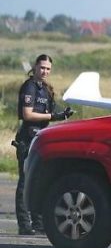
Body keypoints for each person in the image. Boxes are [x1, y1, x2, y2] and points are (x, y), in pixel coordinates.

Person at [13, 54, 74, 235]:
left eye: (48, 69)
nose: (45, 71)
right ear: (35, 67)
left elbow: (52, 110)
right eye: (42, 68)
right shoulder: (29, 87)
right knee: (25, 182)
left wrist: (63, 114)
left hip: (39, 139)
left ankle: (38, 223)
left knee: (39, 181)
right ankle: (24, 225)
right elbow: (28, 114)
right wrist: (52, 117)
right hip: (27, 138)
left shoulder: (45, 89)